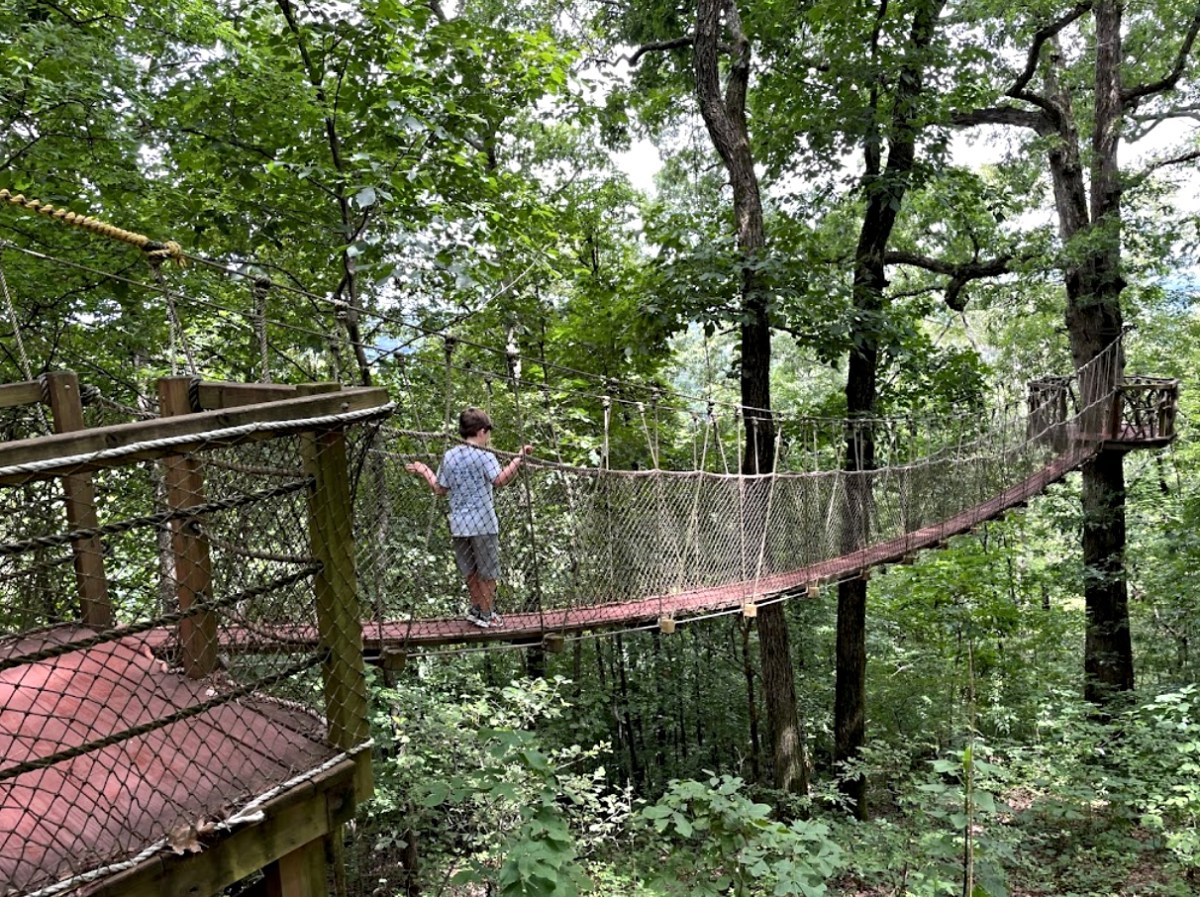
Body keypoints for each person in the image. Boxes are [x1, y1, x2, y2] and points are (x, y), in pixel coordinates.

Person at [405, 408, 533, 629]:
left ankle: (476, 610)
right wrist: (518, 458)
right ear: (482, 431)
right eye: (488, 433)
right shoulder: (485, 456)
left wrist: (424, 469)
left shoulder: (450, 455)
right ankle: (486, 613)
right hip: (482, 523)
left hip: (459, 525)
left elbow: (439, 488)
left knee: (471, 570)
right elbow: (499, 480)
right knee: (489, 571)